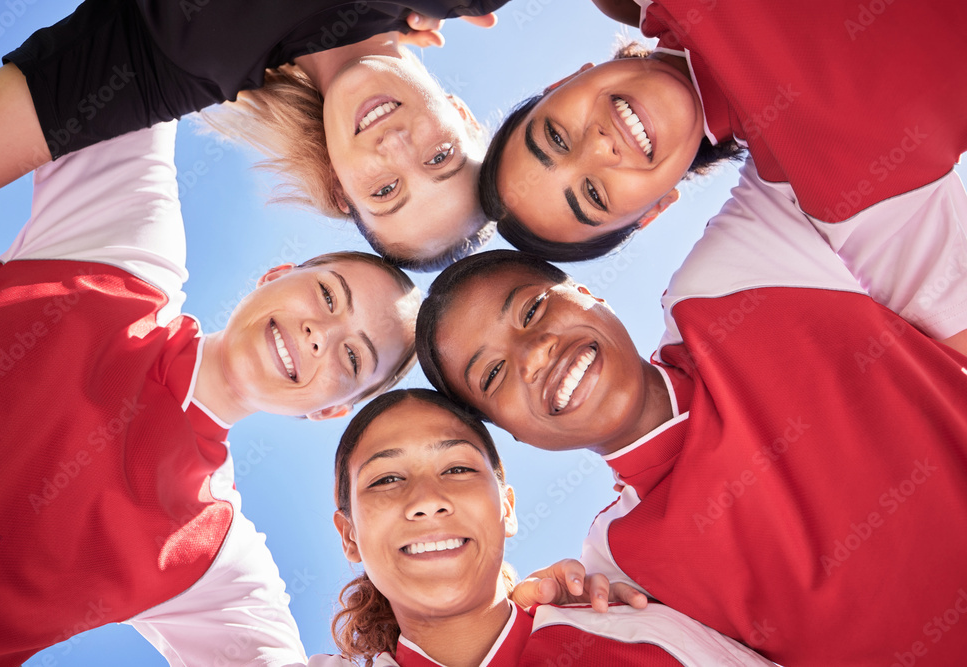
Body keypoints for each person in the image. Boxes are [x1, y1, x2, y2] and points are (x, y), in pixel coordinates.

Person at [0, 119, 420, 666]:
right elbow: (128, 64)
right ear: (274, 274)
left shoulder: (214, 560)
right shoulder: (125, 255)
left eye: (353, 357)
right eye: (327, 296)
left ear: (330, 410)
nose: (319, 335)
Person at [413, 223, 967, 663]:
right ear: (510, 430)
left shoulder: (730, 280)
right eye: (492, 376)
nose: (533, 356)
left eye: (532, 310)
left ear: (585, 291)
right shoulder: (617, 567)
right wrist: (559, 616)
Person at [479, 0, 967, 351]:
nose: (599, 146)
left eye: (558, 139)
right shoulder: (840, 194)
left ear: (561, 82)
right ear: (654, 210)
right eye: (592, 193)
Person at [0, 0, 503, 270]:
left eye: (385, 192)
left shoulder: (171, 65)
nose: (397, 149)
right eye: (441, 156)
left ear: (341, 188)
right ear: (463, 115)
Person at [324, 388, 776, 666]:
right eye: (386, 479)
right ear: (350, 536)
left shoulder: (646, 637)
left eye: (458, 469)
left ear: (508, 509)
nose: (426, 502)